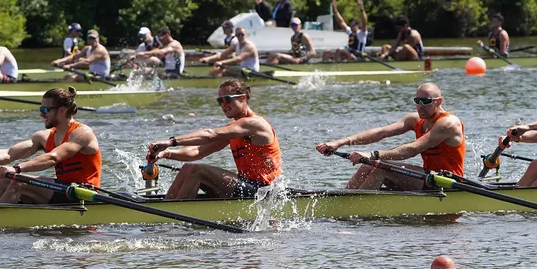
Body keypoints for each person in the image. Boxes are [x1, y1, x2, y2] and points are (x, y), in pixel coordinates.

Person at [0, 88, 103, 204]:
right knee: (0, 180)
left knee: (18, 180)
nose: (41, 114)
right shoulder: (44, 137)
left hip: (84, 194)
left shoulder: (82, 133)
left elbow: (53, 157)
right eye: (40, 109)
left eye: (45, 110)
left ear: (62, 110)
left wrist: (16, 169)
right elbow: (8, 154)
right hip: (62, 191)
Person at [146, 79, 282, 199]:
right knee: (187, 168)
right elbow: (198, 151)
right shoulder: (235, 129)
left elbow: (210, 134)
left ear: (242, 98)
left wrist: (171, 142)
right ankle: (168, 207)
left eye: (226, 99)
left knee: (196, 171)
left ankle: (173, 215)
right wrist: (165, 154)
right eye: (219, 101)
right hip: (247, 186)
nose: (223, 105)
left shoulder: (254, 124)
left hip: (264, 191)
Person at [315, 83, 465, 190]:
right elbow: (382, 132)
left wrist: (372, 155)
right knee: (368, 165)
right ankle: (345, 200)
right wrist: (341, 142)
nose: (420, 106)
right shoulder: (415, 120)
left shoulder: (448, 123)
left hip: (447, 181)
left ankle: (352, 211)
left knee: (381, 167)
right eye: (417, 102)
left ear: (439, 102)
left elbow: (413, 149)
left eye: (425, 102)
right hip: (427, 177)